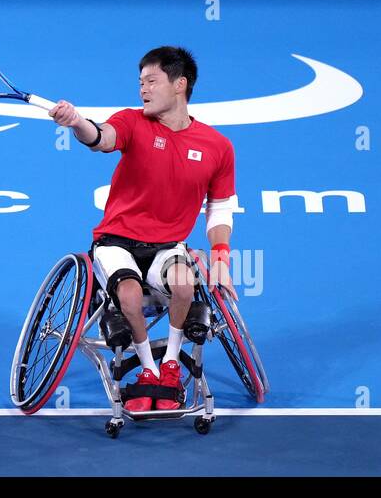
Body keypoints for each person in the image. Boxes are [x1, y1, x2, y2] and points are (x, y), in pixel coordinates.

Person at [49, 47, 239, 412]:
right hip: (115, 241)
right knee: (132, 297)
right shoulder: (132, 122)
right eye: (140, 83)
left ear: (180, 85)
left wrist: (221, 261)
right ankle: (146, 370)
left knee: (185, 283)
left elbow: (219, 208)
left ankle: (170, 364)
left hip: (167, 245)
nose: (143, 90)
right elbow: (101, 138)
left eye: (152, 81)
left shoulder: (217, 147)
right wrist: (76, 122)